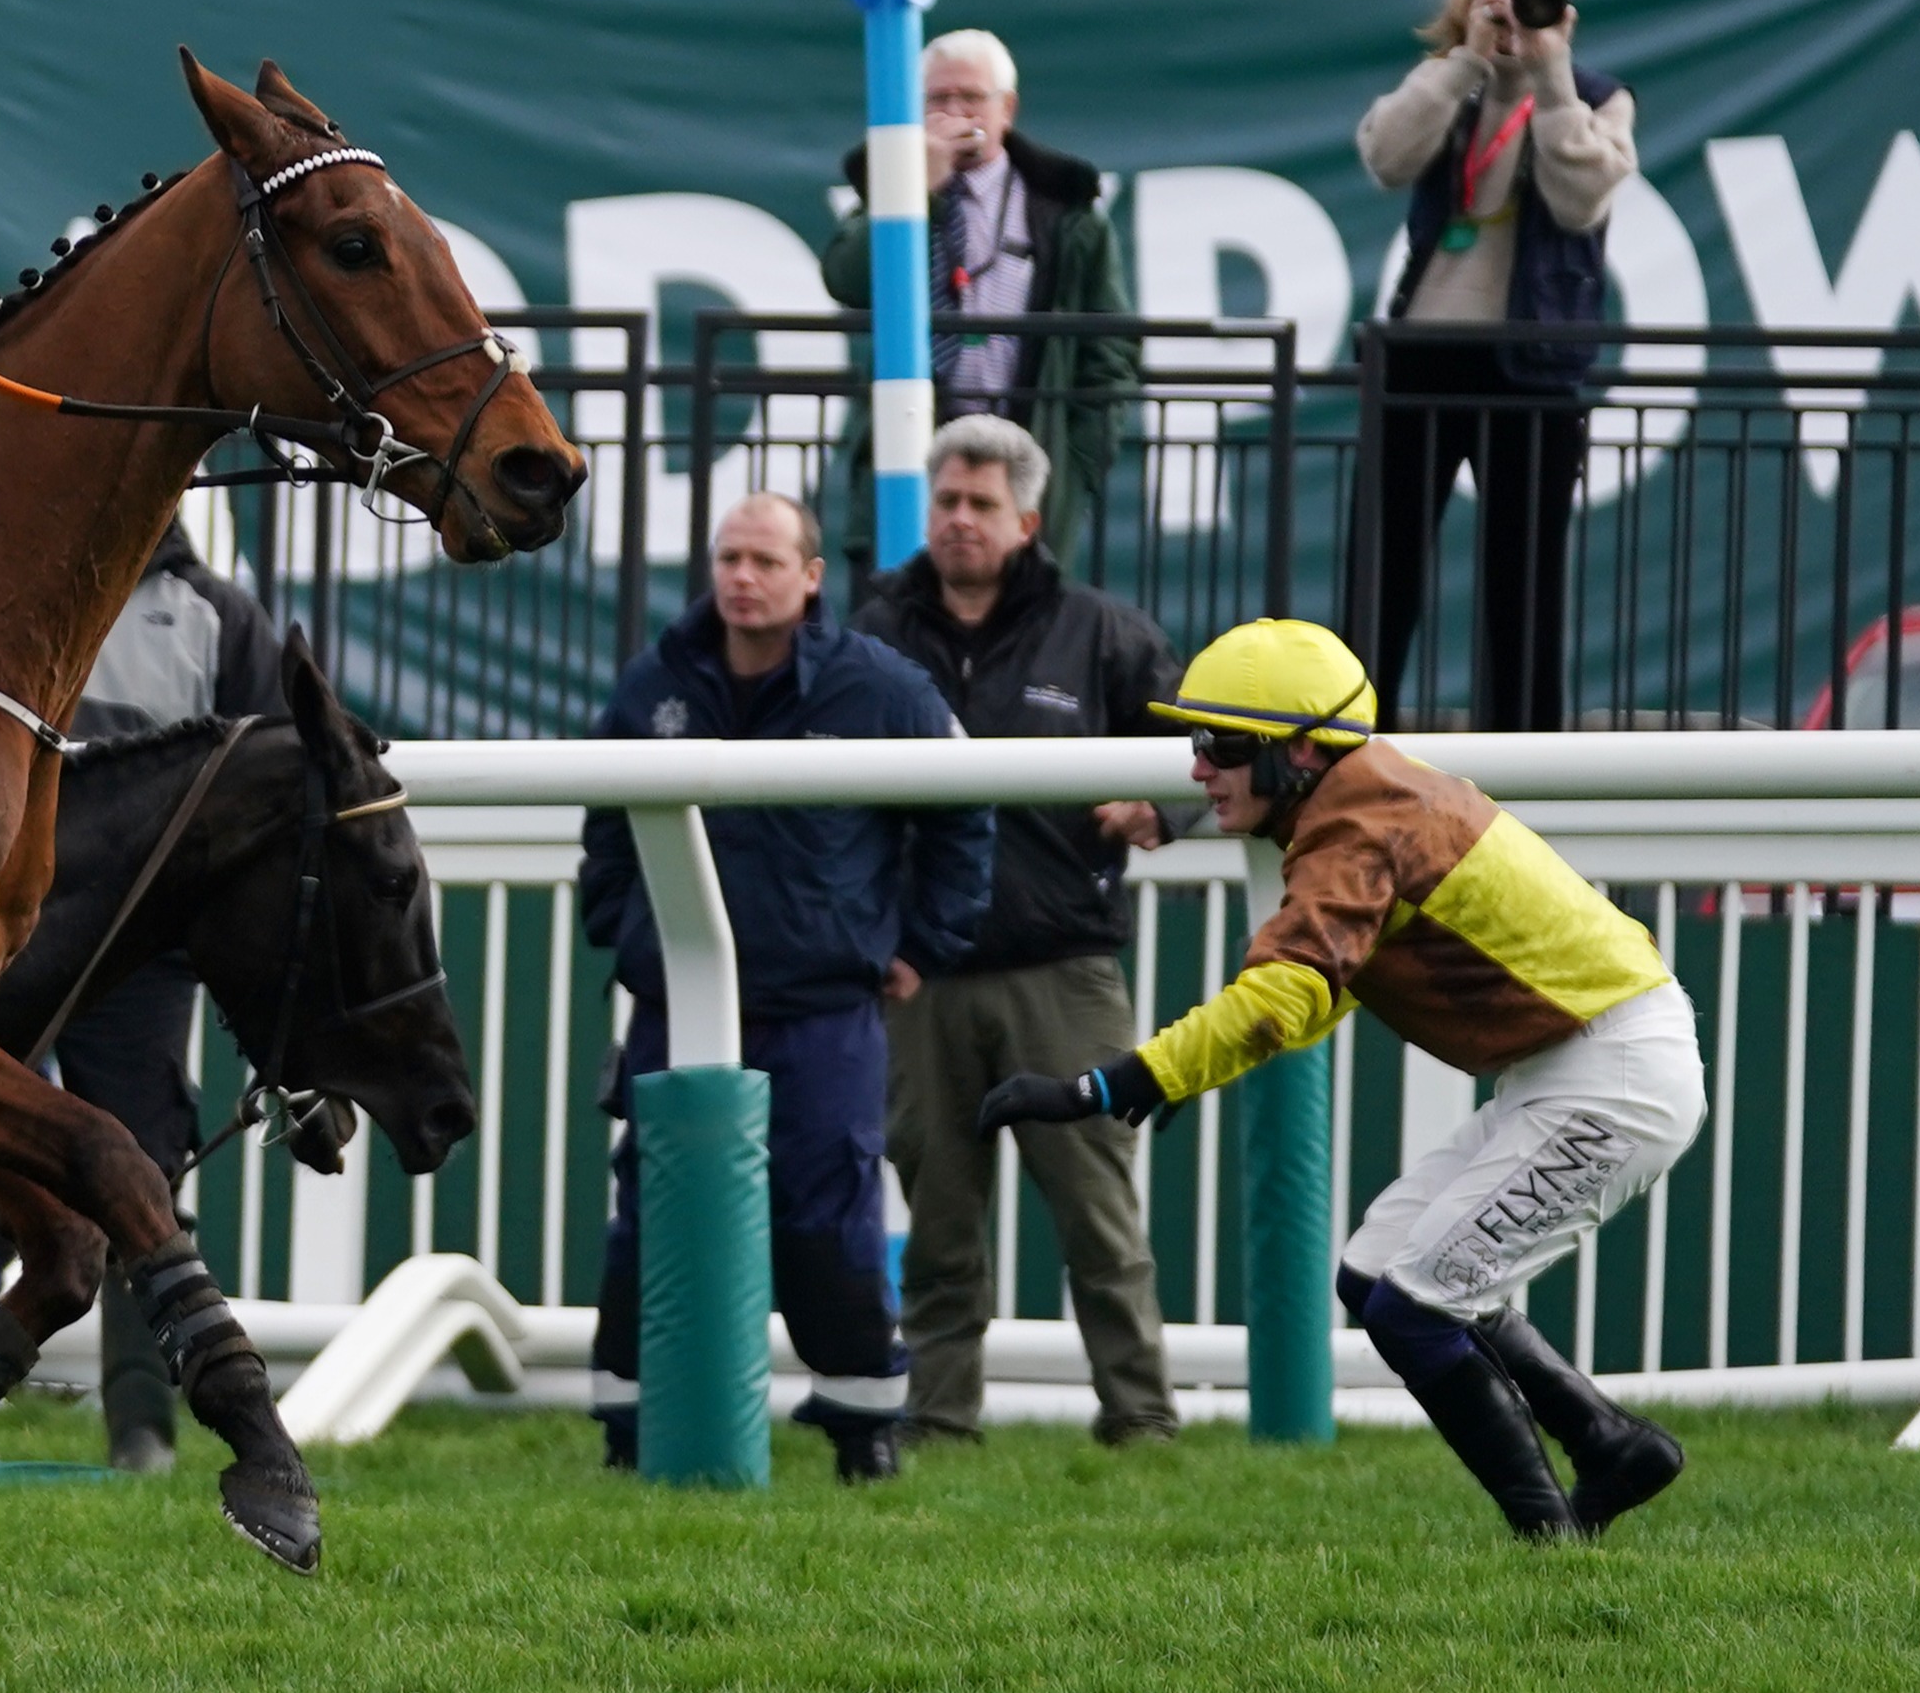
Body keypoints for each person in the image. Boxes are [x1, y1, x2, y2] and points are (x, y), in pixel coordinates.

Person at [982, 617, 1705, 1540]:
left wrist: (1112, 1084)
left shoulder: (1361, 822)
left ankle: (1547, 1535)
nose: (1197, 768)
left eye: (1220, 745)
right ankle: (1610, 1445)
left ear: (1301, 749)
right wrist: (1173, 1075)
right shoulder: (1365, 795)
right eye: (1196, 742)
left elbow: (1281, 995)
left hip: (1610, 1075)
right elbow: (1325, 987)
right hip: (1580, 1061)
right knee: (1373, 1278)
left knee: (1416, 1304)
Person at [578, 491, 993, 1483]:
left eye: (764, 560)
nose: (741, 577)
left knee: (825, 1224)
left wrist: (922, 944)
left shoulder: (878, 688)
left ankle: (863, 1430)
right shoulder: (655, 684)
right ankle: (628, 1430)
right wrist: (625, 933)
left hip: (821, 1015)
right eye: (728, 557)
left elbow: (965, 810)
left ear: (810, 577)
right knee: (653, 1218)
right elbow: (605, 825)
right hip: (676, 1011)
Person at [848, 414, 1186, 1447]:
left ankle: (1140, 1417)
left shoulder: (1102, 632)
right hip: (920, 974)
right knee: (937, 1221)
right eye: (946, 499)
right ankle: (938, 1419)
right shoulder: (874, 629)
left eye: (981, 503)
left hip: (1063, 968)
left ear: (1027, 521)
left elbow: (1201, 745)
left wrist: (1164, 806)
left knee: (1098, 1215)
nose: (958, 518)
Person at [1356, 0, 1637, 733]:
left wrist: (1551, 76)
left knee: (1525, 586)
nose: (1518, 7)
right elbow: (1384, 155)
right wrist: (1464, 63)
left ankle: (1525, 766)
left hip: (1533, 362)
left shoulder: (1598, 98)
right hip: (1422, 353)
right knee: (1382, 578)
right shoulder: (1448, 81)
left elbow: (1581, 201)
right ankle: (1349, 750)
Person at [54, 516, 286, 1473]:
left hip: (138, 955)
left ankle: (141, 1430)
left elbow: (273, 785)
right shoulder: (15, 572)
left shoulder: (220, 618)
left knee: (143, 1167)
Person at [823, 28, 1140, 571]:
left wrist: (1079, 459)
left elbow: (1111, 346)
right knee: (902, 603)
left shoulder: (1064, 210)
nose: (954, 114)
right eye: (938, 100)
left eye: (971, 98)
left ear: (1006, 110)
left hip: (1026, 446)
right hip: (915, 445)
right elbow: (847, 279)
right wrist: (913, 190)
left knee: (1025, 610)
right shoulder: (894, 190)